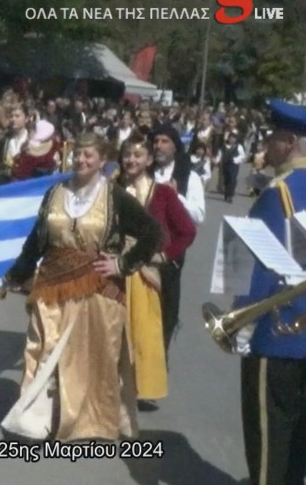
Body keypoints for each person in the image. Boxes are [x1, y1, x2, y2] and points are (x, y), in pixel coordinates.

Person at [1, 132, 161, 441]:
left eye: (89, 156)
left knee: (85, 357)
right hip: (50, 284)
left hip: (96, 289)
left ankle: (83, 420)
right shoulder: (56, 192)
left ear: (103, 160)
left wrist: (122, 264)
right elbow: (37, 240)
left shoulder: (114, 197)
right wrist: (17, 273)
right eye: (78, 154)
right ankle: (36, 420)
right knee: (42, 348)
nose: (81, 161)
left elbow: (152, 233)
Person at [233, 99, 306, 485]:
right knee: (296, 425)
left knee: (267, 432)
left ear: (289, 142)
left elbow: (259, 266)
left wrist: (241, 324)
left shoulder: (279, 193)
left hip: (274, 331)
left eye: (272, 138)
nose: (266, 146)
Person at [116, 135, 196, 412]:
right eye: (127, 154)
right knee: (112, 328)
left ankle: (139, 387)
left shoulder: (163, 193)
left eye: (138, 155)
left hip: (146, 273)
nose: (131, 160)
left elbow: (187, 230)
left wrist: (164, 255)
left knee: (141, 330)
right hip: (113, 269)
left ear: (149, 160)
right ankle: (110, 384)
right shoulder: (112, 189)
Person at [148, 123, 205, 359]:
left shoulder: (188, 176)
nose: (159, 146)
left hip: (170, 257)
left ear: (175, 146)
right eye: (156, 141)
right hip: (141, 254)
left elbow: (199, 215)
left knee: (165, 314)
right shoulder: (143, 169)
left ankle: (158, 365)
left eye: (165, 141)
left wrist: (175, 196)